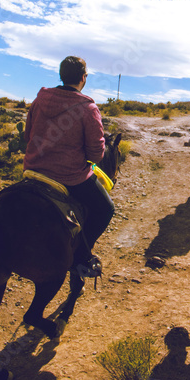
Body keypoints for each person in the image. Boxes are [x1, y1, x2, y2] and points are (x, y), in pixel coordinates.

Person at [24, 56, 114, 278]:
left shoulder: (39, 100)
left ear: (61, 75)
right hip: (69, 177)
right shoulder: (88, 108)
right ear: (84, 78)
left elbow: (28, 136)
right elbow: (96, 153)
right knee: (106, 209)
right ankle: (81, 256)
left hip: (33, 171)